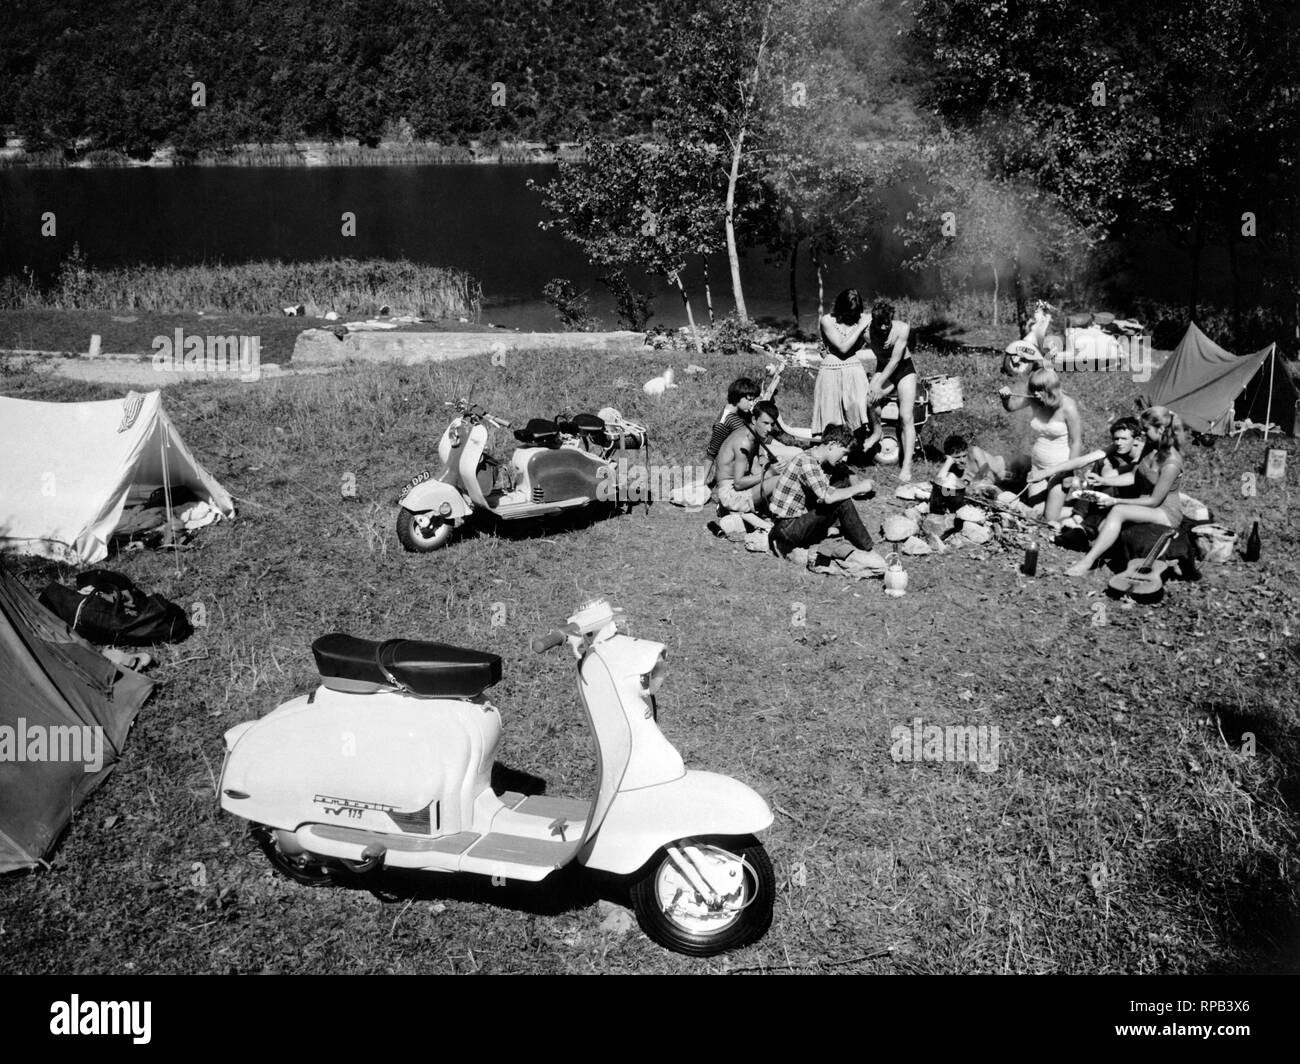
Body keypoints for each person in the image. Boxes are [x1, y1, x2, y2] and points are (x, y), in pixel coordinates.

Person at [1064, 406, 1187, 577]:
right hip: (1147, 503)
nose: (1142, 434)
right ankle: (1096, 545)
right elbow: (1133, 476)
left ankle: (1087, 562)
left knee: (1118, 510)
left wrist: (1116, 501)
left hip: (1165, 512)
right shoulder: (1151, 448)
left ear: (1160, 429)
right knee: (1109, 516)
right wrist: (1104, 480)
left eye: (1146, 430)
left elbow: (1154, 500)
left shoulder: (1172, 462)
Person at [768, 423, 884, 571]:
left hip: (793, 522)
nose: (843, 459)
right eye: (843, 453)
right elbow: (827, 497)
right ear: (832, 445)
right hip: (786, 527)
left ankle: (836, 533)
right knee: (841, 501)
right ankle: (868, 549)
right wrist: (859, 488)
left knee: (840, 485)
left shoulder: (815, 458)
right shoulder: (807, 461)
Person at [993, 366, 1082, 523]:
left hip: (1059, 470)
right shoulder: (1034, 399)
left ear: (1051, 389)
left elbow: (1076, 443)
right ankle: (1067, 497)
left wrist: (1069, 473)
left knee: (1049, 519)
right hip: (1038, 467)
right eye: (1033, 389)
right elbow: (1011, 407)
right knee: (1036, 514)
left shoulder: (1068, 407)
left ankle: (1082, 508)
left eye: (1039, 390)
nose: (1034, 394)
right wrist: (1005, 398)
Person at [863, 300, 921, 482]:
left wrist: (878, 383)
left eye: (886, 323)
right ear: (872, 320)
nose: (882, 327)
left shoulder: (902, 329)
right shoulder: (866, 329)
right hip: (883, 368)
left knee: (905, 416)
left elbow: (895, 361)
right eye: (878, 323)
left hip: (904, 369)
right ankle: (877, 431)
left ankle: (906, 467)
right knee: (870, 400)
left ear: (891, 319)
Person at [814, 289, 872, 445]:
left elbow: (875, 342)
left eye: (854, 313)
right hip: (830, 371)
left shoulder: (862, 320)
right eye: (848, 312)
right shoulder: (827, 320)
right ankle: (830, 452)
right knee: (830, 414)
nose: (851, 316)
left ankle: (857, 450)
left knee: (858, 409)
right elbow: (843, 347)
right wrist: (860, 327)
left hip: (854, 370)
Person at [714, 401, 782, 515]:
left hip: (738, 487)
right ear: (754, 420)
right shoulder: (744, 442)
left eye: (772, 424)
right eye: (765, 423)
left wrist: (775, 469)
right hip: (729, 493)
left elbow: (754, 469)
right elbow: (738, 483)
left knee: (782, 476)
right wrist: (769, 474)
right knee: (778, 480)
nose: (769, 429)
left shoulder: (754, 435)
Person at [705, 377, 760, 486]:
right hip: (735, 470)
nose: (751, 403)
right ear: (737, 396)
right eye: (749, 399)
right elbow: (711, 452)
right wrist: (703, 480)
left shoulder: (742, 412)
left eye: (753, 400)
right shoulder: (724, 422)